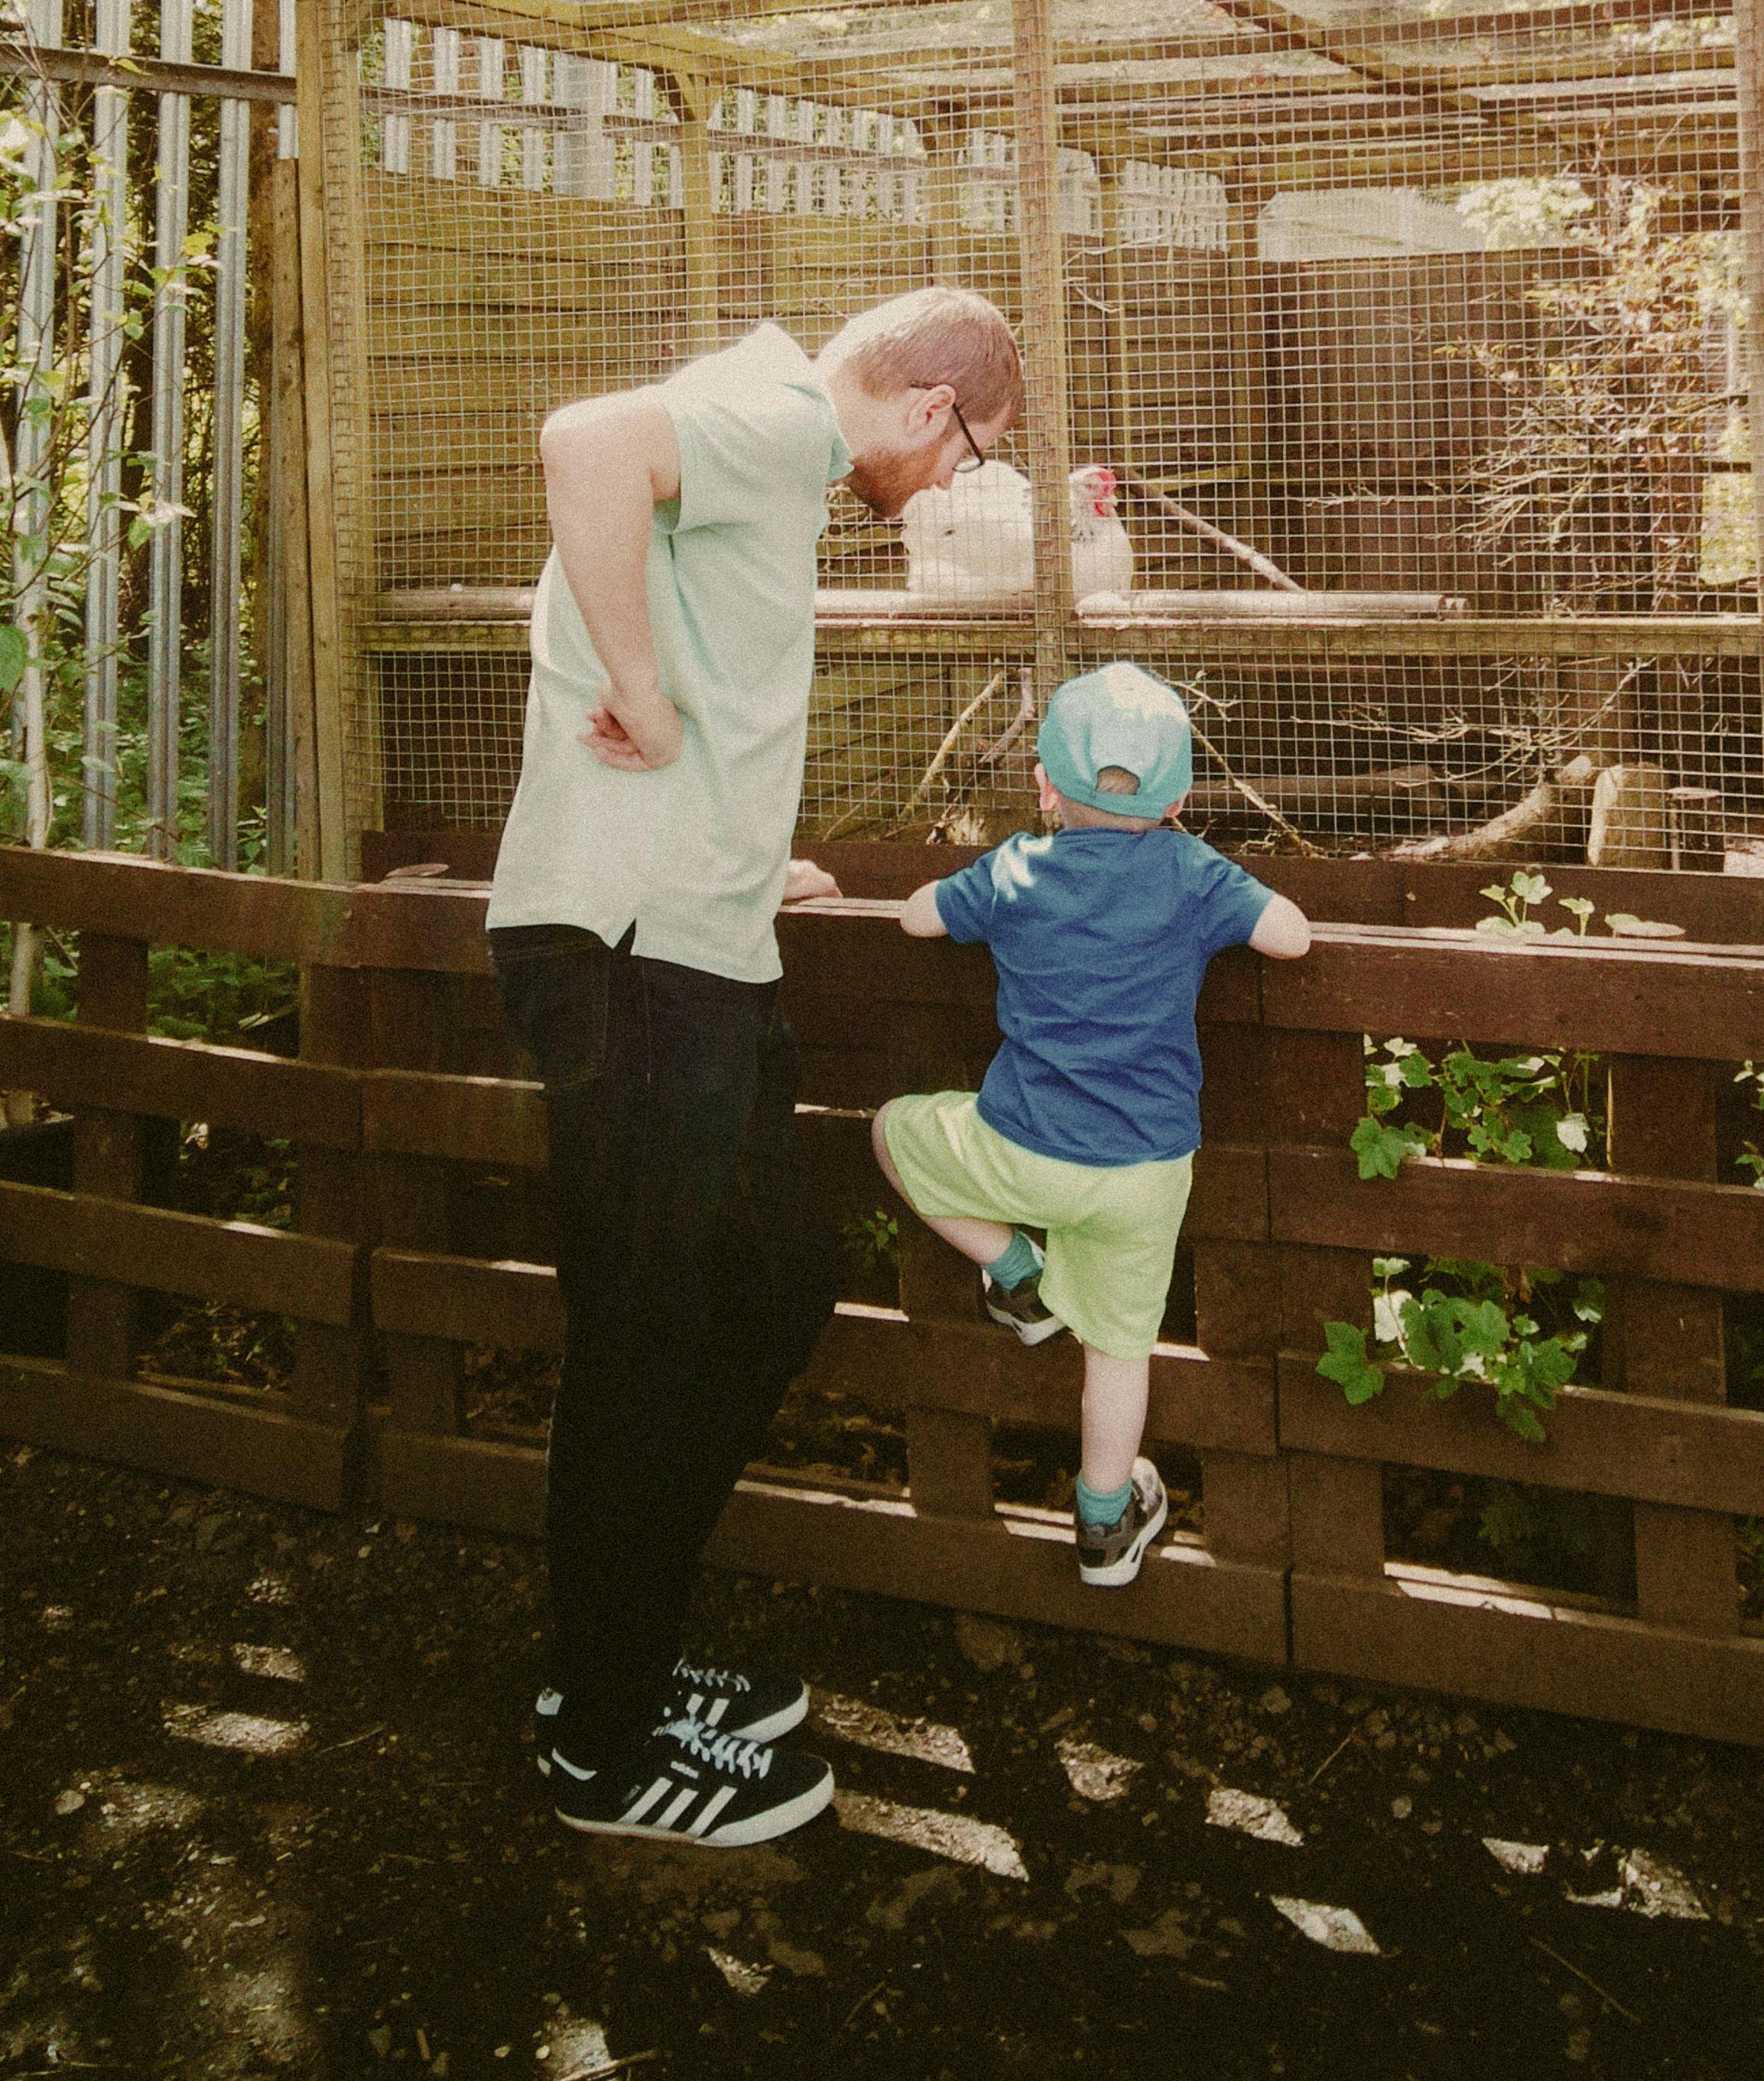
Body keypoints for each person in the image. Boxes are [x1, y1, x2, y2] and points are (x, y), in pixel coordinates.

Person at [488, 287, 1023, 1846]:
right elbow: (585, 445)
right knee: (649, 1337)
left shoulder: (765, 429)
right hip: (635, 956)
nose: (952, 482)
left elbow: (658, 573)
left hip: (692, 931)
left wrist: (732, 833)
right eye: (973, 451)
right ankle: (602, 1742)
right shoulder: (787, 421)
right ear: (927, 404)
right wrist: (644, 698)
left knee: (773, 1289)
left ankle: (628, 1649)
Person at [875, 662, 1311, 1585]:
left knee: (894, 1132)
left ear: (1044, 786)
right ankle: (1106, 1526)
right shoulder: (1192, 874)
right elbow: (1292, 936)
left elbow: (916, 918)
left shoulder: (1014, 869)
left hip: (1019, 1151)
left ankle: (1017, 1274)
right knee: (1118, 1349)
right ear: (1179, 800)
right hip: (1142, 1174)